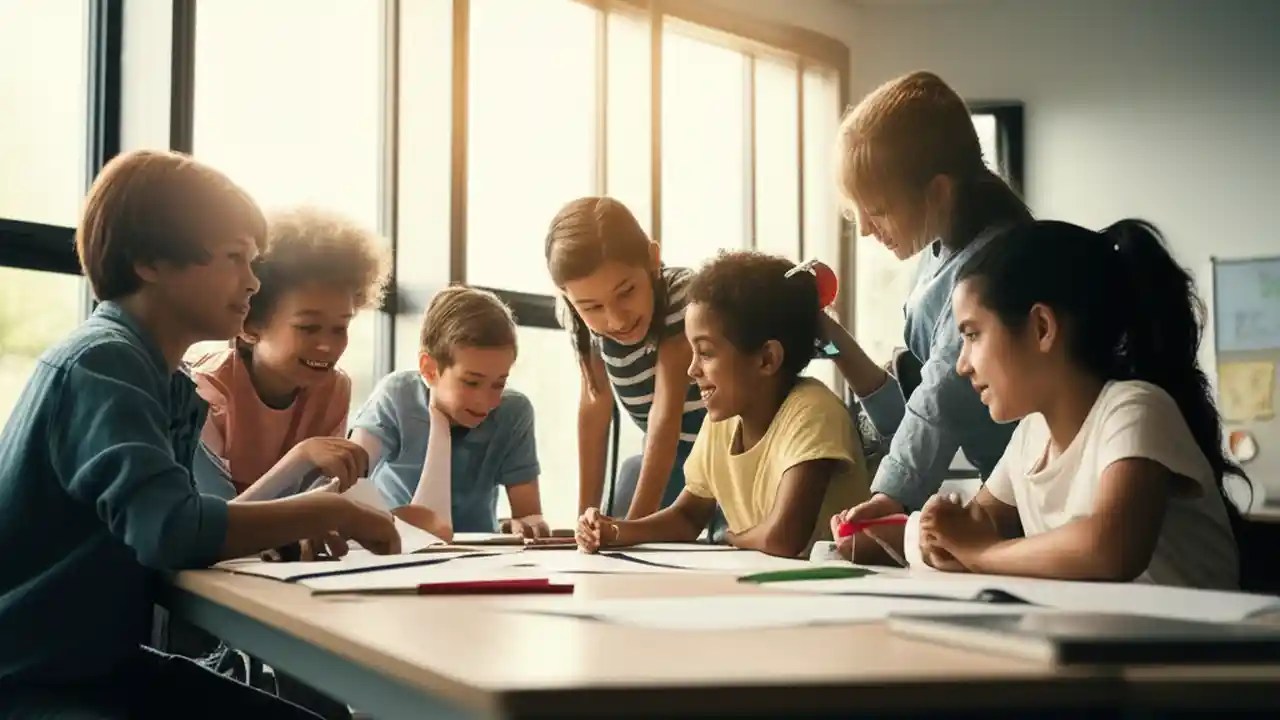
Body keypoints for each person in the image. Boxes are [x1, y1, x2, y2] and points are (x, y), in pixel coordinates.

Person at [0, 150, 397, 718]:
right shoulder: (103, 364)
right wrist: (328, 511)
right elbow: (172, 530)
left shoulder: (164, 381)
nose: (253, 282)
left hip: (99, 666)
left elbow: (178, 523)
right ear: (150, 261)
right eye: (236, 258)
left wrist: (279, 530)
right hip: (33, 680)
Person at [915, 219, 1244, 589]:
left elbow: (1111, 549)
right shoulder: (1031, 436)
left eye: (973, 334)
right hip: (1100, 640)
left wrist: (979, 554)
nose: (962, 364)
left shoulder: (1136, 409)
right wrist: (941, 533)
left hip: (1197, 644)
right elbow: (979, 523)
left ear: (1042, 328)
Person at [822, 71, 1033, 550]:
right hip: (1005, 489)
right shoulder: (938, 255)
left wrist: (891, 496)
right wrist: (829, 340)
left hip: (1027, 500)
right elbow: (916, 403)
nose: (867, 232)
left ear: (937, 191)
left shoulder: (987, 268)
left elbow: (940, 398)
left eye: (876, 211)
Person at [576, 251, 870, 558]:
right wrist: (615, 531)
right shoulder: (723, 423)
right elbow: (687, 517)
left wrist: (729, 538)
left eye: (705, 353)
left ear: (767, 358)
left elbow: (783, 538)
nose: (692, 370)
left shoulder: (813, 411)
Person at [190, 206, 391, 502]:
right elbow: (217, 524)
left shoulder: (333, 388)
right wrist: (301, 458)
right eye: (308, 328)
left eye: (339, 328)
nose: (327, 346)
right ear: (249, 324)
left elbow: (316, 501)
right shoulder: (204, 392)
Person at [545, 197, 706, 521]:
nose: (616, 320)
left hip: (726, 452)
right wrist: (585, 517)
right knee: (626, 486)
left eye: (626, 292)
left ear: (653, 259)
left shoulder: (683, 296)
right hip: (667, 457)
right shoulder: (578, 318)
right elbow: (595, 406)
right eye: (592, 307)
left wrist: (631, 530)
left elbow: (665, 416)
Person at [350, 287, 546, 539]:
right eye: (471, 382)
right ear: (429, 369)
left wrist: (525, 525)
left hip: (476, 554)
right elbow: (350, 479)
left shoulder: (513, 413)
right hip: (393, 547)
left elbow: (528, 514)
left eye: (499, 383)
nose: (487, 401)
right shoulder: (397, 396)